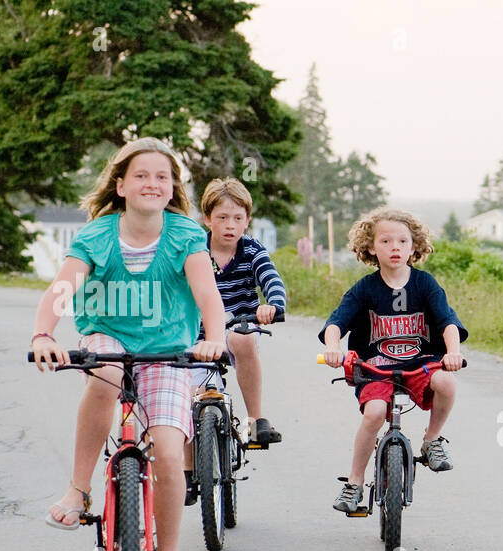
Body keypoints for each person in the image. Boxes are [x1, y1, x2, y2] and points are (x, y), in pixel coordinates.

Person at [29, 137, 228, 551]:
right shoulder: (97, 236)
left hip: (168, 349)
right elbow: (62, 288)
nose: (152, 183)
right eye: (141, 175)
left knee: (165, 447)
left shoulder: (184, 235)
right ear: (121, 185)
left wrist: (215, 338)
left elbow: (207, 294)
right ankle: (79, 490)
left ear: (172, 188)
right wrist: (43, 333)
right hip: (108, 335)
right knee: (104, 373)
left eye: (162, 176)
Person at [319, 207, 466, 513]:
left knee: (447, 382)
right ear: (371, 247)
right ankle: (354, 483)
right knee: (373, 413)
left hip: (420, 364)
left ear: (414, 247)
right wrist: (334, 347)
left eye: (402, 241)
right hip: (376, 368)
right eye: (385, 241)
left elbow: (448, 323)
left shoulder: (425, 284)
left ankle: (432, 440)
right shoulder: (364, 289)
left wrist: (453, 352)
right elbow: (336, 323)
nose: (395, 247)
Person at [198, 176, 287, 446]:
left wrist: (273, 304)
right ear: (207, 219)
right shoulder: (195, 250)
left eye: (237, 218)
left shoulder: (252, 250)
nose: (230, 225)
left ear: (247, 220)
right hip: (198, 333)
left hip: (240, 325)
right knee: (195, 398)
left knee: (243, 338)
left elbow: (271, 279)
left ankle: (255, 420)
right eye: (222, 217)